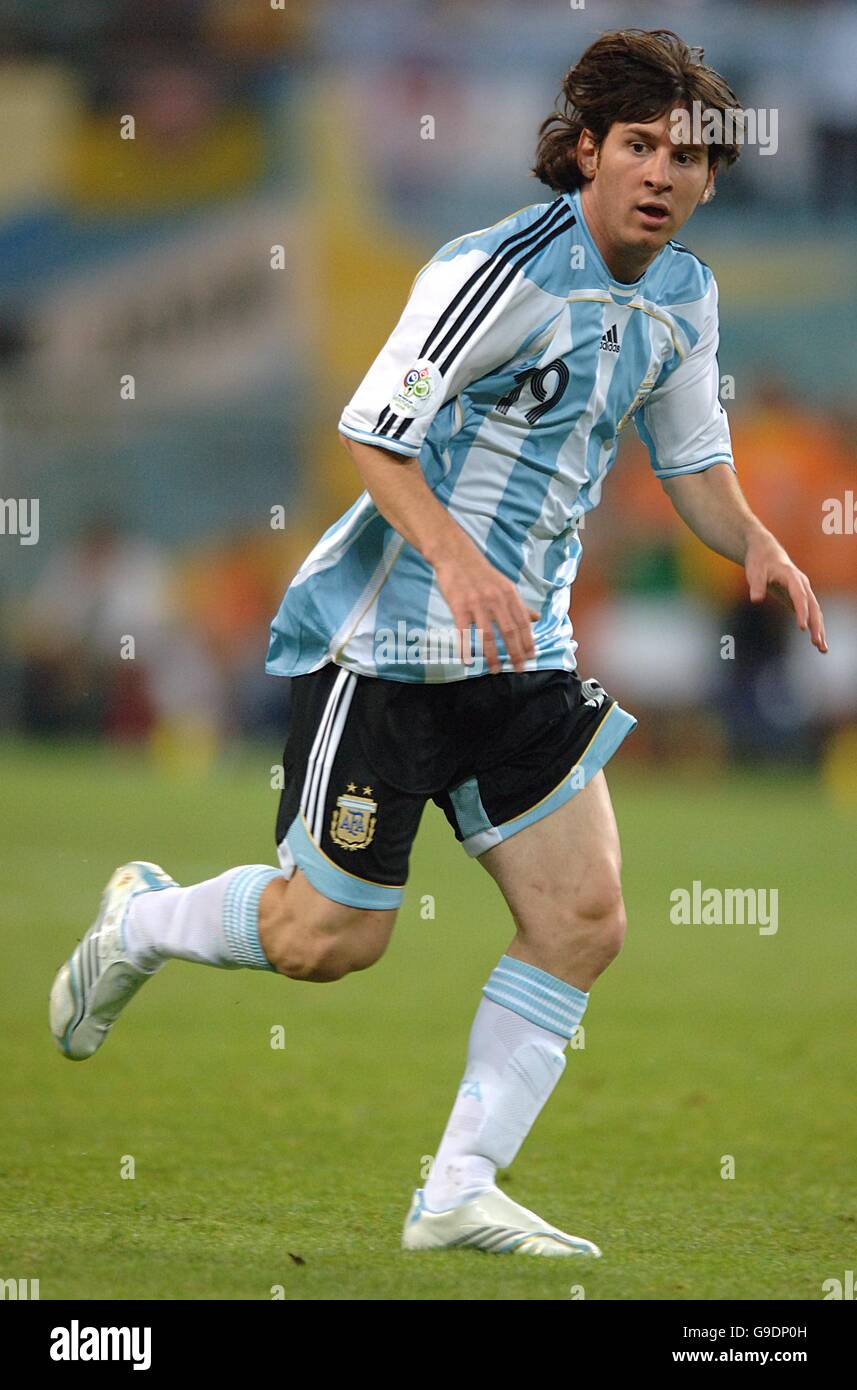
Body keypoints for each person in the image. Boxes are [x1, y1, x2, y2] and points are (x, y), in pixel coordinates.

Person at [50, 30, 827, 1258]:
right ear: (585, 152)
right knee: (330, 940)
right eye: (637, 146)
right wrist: (456, 558)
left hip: (522, 652)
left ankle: (455, 1186)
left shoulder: (684, 297)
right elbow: (374, 433)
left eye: (687, 157)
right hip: (393, 646)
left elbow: (690, 458)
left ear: (710, 178)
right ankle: (141, 921)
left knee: (583, 918)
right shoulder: (492, 273)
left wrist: (757, 545)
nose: (661, 175)